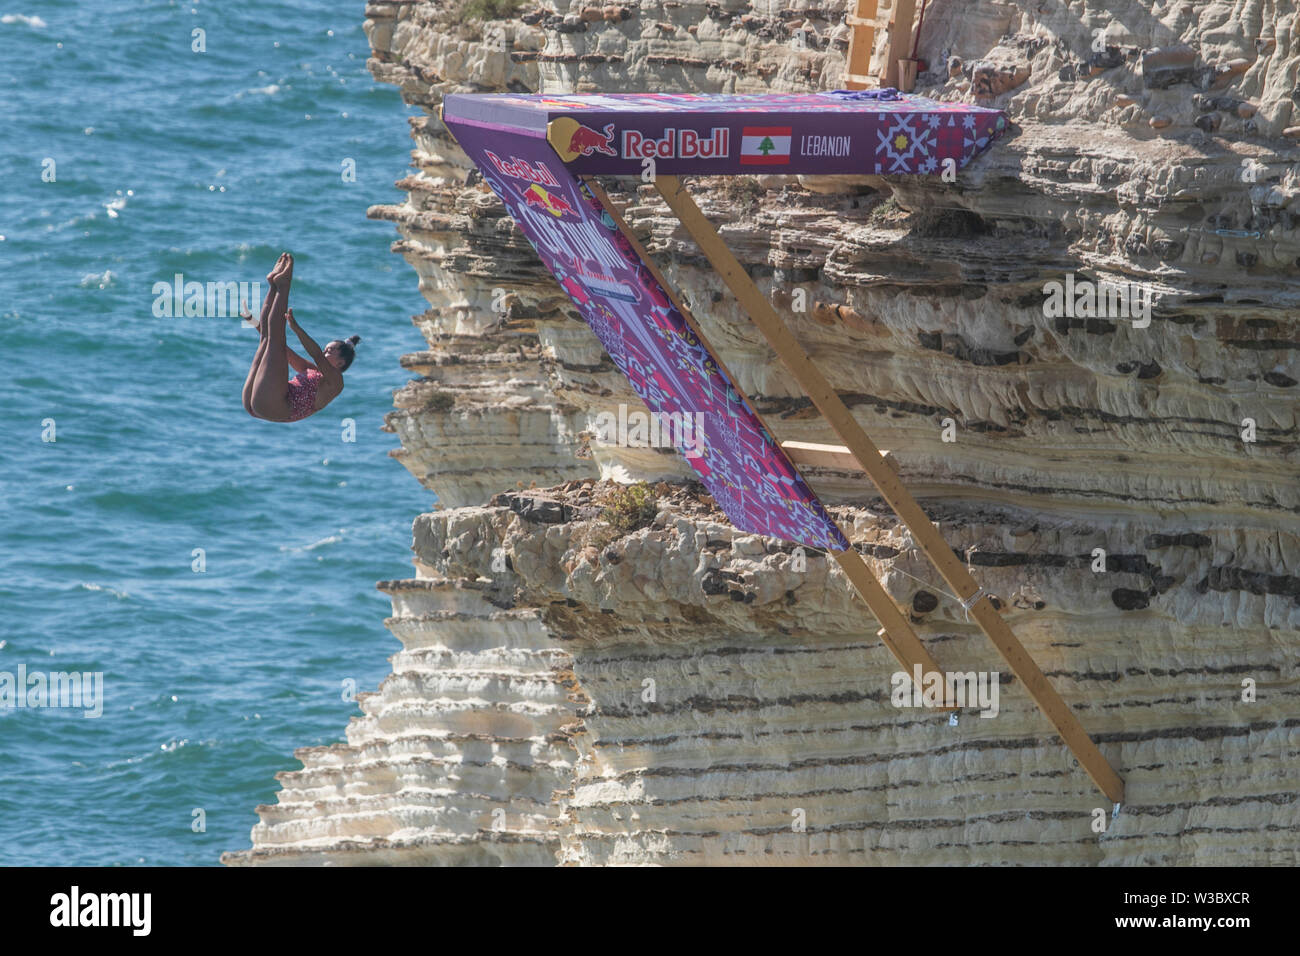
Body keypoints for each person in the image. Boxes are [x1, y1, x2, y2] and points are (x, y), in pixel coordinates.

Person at [240, 253, 360, 422]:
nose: (325, 352)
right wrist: (253, 321)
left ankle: (283, 285)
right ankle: (274, 285)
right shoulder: (312, 370)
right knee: (268, 340)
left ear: (340, 363)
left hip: (274, 406)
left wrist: (296, 329)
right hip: (256, 404)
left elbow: (317, 355)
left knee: (275, 339)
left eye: (330, 351)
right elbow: (282, 350)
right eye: (326, 349)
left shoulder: (336, 383)